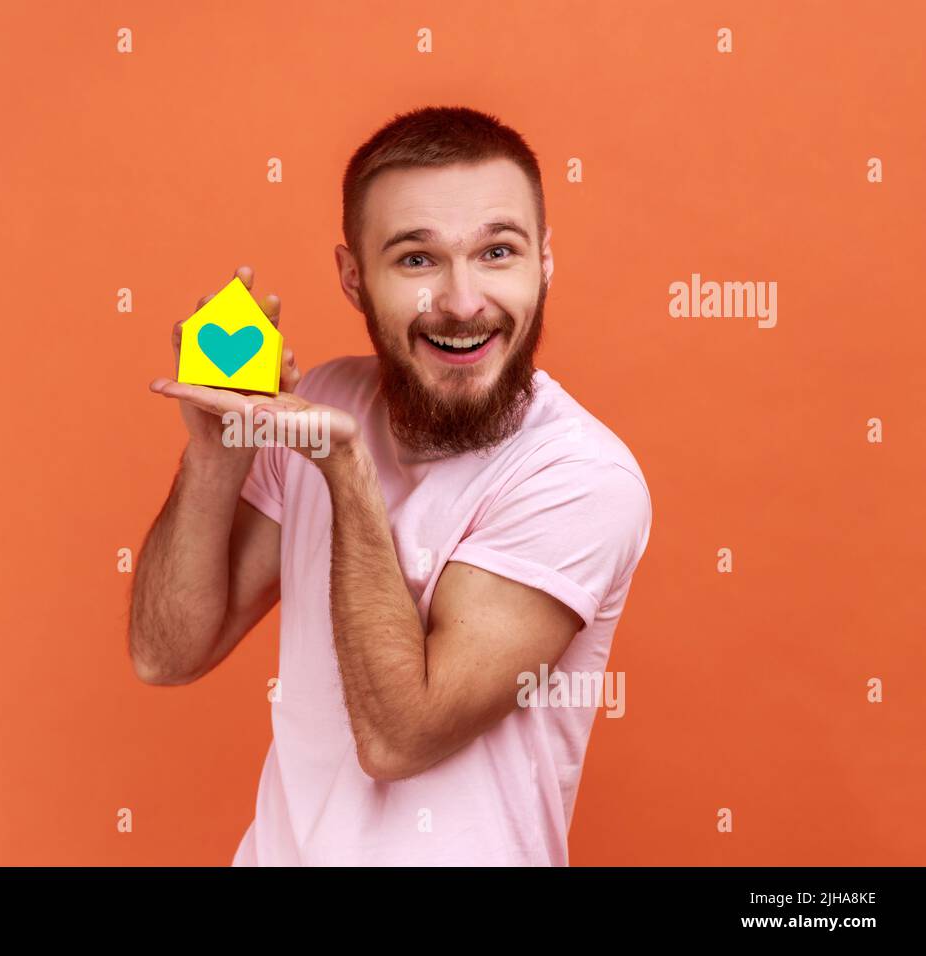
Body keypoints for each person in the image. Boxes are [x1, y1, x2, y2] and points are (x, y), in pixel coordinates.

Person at [129, 105, 653, 866]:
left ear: (543, 261)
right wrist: (218, 453)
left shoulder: (580, 478)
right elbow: (166, 654)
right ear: (353, 278)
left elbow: (399, 736)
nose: (463, 300)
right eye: (416, 259)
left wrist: (345, 472)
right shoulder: (329, 400)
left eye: (497, 252)